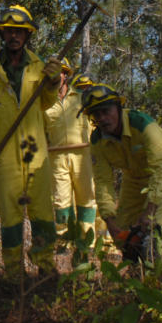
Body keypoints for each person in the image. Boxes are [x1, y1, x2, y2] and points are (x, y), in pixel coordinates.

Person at [0, 5, 62, 278]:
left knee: (42, 211)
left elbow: (45, 103)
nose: (14, 36)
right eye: (9, 31)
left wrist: (53, 84)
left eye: (19, 31)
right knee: (10, 216)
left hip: (36, 152)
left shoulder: (40, 66)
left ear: (27, 35)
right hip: (4, 153)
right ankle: (14, 273)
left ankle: (45, 265)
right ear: (2, 34)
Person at [80, 83, 162, 262]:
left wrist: (149, 211)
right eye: (97, 114)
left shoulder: (143, 125)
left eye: (107, 111)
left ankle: (157, 273)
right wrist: (109, 221)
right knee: (123, 227)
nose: (103, 118)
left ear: (118, 107)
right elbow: (103, 182)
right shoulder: (97, 141)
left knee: (153, 225)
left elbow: (160, 170)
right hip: (135, 175)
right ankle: (134, 274)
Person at [44, 63, 98, 256]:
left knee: (87, 198)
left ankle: (87, 242)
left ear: (65, 75)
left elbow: (95, 123)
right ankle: (65, 241)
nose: (54, 78)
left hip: (82, 155)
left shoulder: (82, 98)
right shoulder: (45, 103)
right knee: (61, 201)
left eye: (58, 74)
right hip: (56, 156)